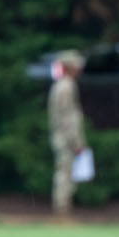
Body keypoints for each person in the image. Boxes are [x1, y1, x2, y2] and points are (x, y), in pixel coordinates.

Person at [46, 53, 86, 217]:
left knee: (65, 172)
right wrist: (76, 141)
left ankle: (63, 208)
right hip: (65, 139)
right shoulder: (66, 86)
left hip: (62, 137)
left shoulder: (61, 85)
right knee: (64, 173)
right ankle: (62, 210)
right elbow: (67, 117)